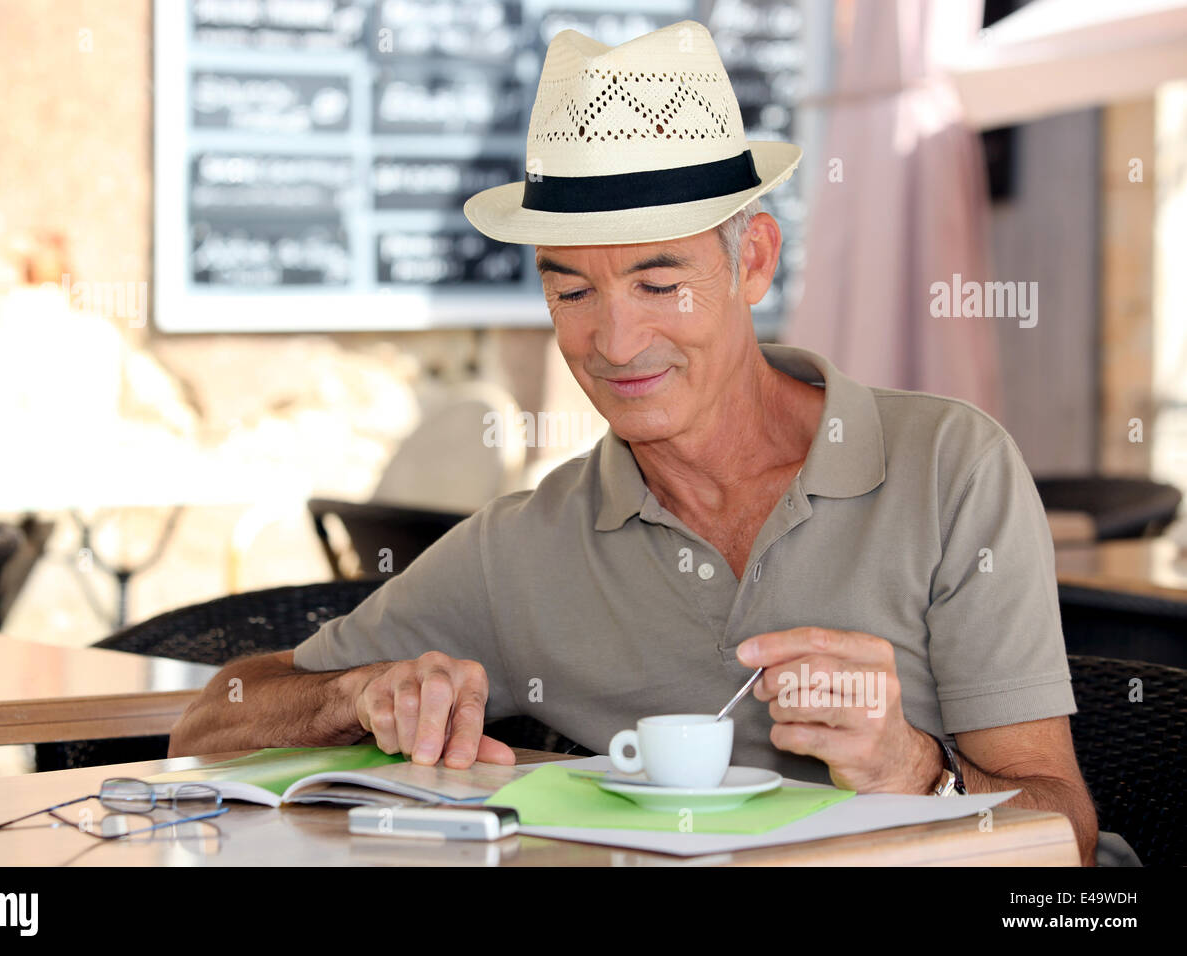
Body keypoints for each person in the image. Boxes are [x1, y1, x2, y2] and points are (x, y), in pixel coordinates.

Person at [170, 20, 1102, 865]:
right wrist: (357, 696)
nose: (614, 345)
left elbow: (1063, 823)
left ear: (757, 260)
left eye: (660, 284)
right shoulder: (528, 545)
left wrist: (909, 767)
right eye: (572, 292)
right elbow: (211, 725)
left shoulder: (950, 467)